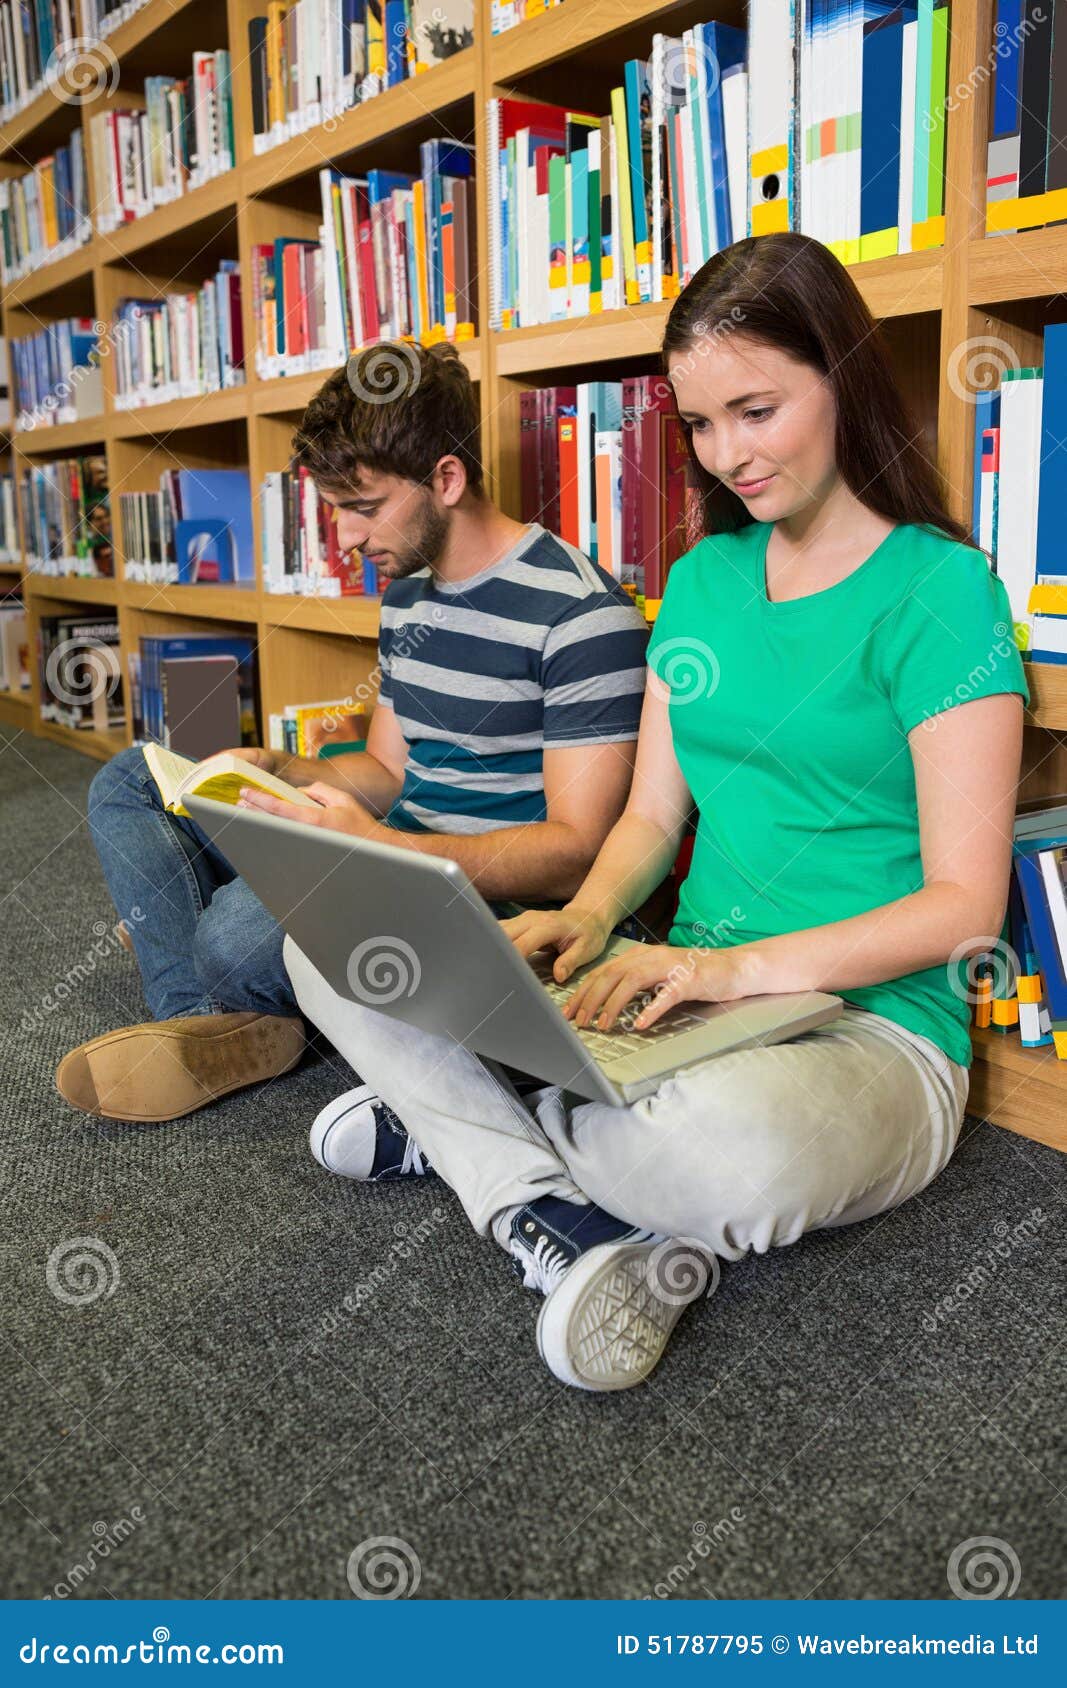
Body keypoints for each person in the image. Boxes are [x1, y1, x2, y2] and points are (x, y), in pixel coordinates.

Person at [279, 232, 1029, 1394]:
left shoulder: (941, 594)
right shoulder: (700, 583)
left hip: (867, 1034)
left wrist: (735, 975)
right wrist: (585, 920)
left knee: (727, 1155)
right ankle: (554, 1209)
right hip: (673, 993)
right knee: (325, 935)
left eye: (755, 409)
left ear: (839, 374)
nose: (725, 454)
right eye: (696, 423)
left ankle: (465, 1128)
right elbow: (645, 821)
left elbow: (961, 904)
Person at [56, 342, 649, 1124]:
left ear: (446, 478)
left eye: (363, 508)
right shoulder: (408, 595)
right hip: (384, 845)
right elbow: (386, 770)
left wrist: (385, 849)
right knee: (132, 777)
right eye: (336, 509)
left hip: (474, 894)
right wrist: (283, 769)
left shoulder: (577, 612)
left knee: (234, 934)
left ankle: (204, 1001)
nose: (342, 538)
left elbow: (575, 850)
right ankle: (209, 1013)